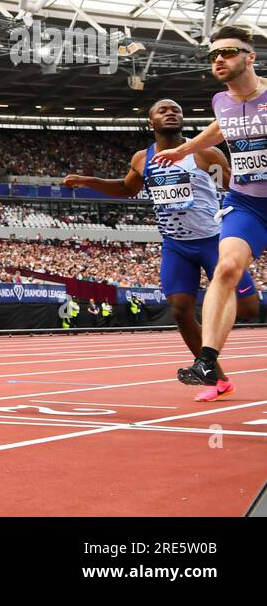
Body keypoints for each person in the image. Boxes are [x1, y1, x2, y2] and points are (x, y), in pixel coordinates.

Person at [64, 98, 258, 400]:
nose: (170, 113)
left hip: (213, 240)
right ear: (150, 122)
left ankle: (230, 311)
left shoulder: (206, 154)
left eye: (176, 110)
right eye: (162, 110)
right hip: (175, 245)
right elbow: (128, 188)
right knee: (180, 309)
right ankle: (216, 378)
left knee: (249, 310)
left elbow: (235, 187)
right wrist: (89, 181)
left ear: (183, 120)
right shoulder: (144, 159)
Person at [153, 26, 267, 395]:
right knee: (227, 267)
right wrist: (185, 150)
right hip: (247, 202)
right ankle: (207, 360)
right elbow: (222, 127)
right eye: (213, 54)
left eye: (229, 52)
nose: (219, 58)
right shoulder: (221, 101)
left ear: (250, 57)